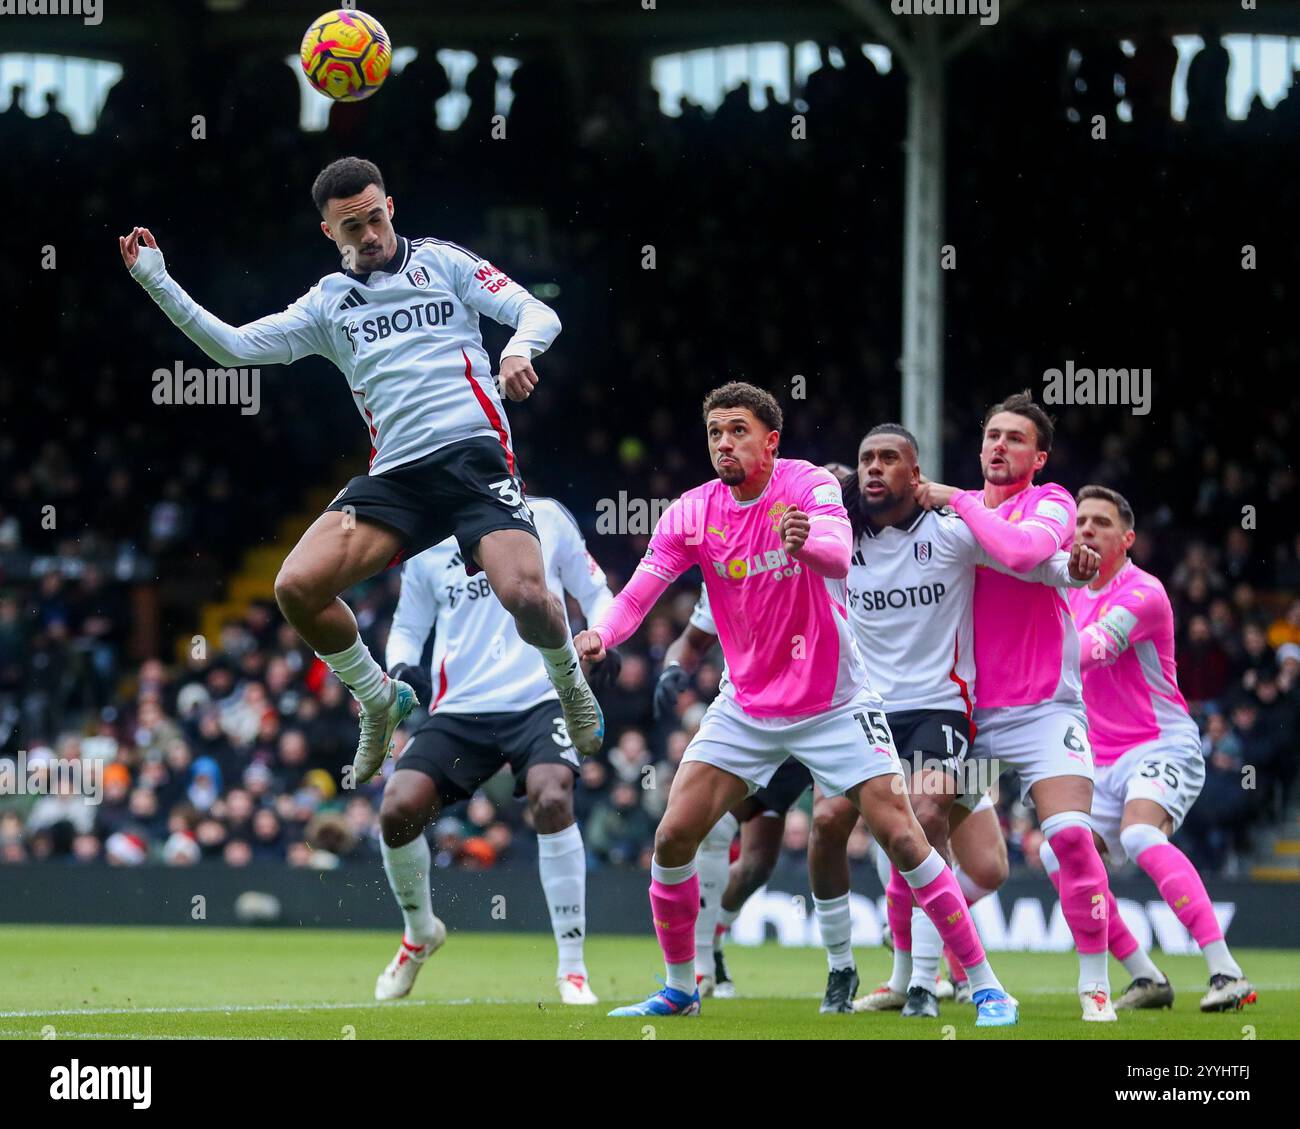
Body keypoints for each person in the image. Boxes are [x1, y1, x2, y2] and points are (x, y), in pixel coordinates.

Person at [119, 156, 605, 791]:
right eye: (352, 227)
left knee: (527, 597)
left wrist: (516, 350)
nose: (369, 234)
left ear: (391, 208)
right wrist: (158, 281)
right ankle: (377, 698)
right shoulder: (327, 305)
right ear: (329, 233)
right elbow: (232, 348)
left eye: (376, 218)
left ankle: (569, 688)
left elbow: (540, 314)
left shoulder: (445, 263)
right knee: (296, 587)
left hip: (473, 460)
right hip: (397, 478)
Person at [577, 382, 1016, 1025]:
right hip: (748, 705)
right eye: (715, 433)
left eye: (738, 431)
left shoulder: (807, 484)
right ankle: (679, 987)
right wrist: (601, 633)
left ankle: (984, 985)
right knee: (672, 836)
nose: (724, 444)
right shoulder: (693, 512)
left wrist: (803, 542)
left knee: (902, 832)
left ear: (770, 441)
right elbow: (641, 594)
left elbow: (838, 558)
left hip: (833, 699)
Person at [806, 424, 1096, 1017]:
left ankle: (921, 980)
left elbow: (1030, 565)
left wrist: (1075, 570)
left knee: (929, 816)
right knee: (828, 821)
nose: (874, 469)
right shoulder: (842, 542)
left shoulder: (953, 533)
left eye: (890, 458)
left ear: (917, 476)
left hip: (942, 707)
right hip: (864, 711)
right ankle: (845, 969)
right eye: (867, 459)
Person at [916, 391, 1120, 1021]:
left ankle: (1094, 987)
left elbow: (1022, 553)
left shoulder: (1051, 502)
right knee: (920, 828)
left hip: (1043, 714)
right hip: (967, 719)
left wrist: (954, 499)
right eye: (991, 435)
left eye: (1014, 438)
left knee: (1069, 839)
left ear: (1039, 456)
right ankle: (919, 980)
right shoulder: (950, 523)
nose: (999, 446)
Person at [374, 495, 616, 1005]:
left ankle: (572, 969)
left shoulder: (545, 516)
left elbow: (595, 591)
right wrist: (401, 667)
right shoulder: (427, 543)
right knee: (398, 806)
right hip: (460, 710)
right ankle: (420, 933)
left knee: (552, 797)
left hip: (542, 697)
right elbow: (408, 628)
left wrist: (604, 635)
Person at [1068, 485, 1255, 1013]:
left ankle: (1226, 971)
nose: (1086, 529)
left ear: (1127, 539)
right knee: (1062, 855)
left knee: (1141, 832)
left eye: (1101, 522)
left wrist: (1027, 653)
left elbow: (1094, 648)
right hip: (1099, 757)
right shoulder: (1068, 592)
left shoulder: (1143, 592)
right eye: (1081, 520)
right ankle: (1146, 976)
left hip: (1161, 745)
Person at [655, 585, 813, 999]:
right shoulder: (726, 570)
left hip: (823, 715)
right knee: (732, 844)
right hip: (755, 722)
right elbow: (692, 640)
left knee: (780, 853)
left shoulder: (821, 554)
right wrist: (674, 668)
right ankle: (704, 959)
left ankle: (876, 967)